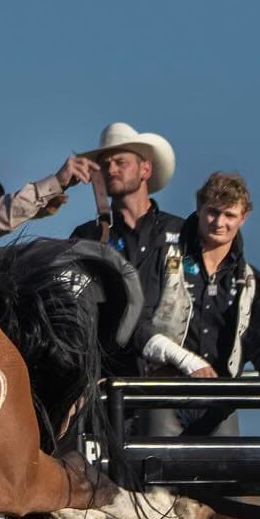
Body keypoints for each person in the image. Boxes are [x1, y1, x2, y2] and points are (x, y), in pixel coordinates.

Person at [135, 172, 260, 436]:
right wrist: (186, 361)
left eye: (229, 215)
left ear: (243, 218)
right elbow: (138, 324)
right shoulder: (162, 259)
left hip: (221, 402)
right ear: (198, 208)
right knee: (155, 472)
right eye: (212, 212)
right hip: (162, 392)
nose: (219, 223)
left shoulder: (252, 281)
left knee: (224, 474)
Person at [70, 122, 184, 376]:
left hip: (169, 374)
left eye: (121, 162)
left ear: (146, 169)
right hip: (108, 377)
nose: (111, 169)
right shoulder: (87, 237)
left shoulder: (182, 233)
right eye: (105, 164)